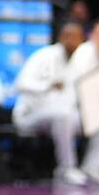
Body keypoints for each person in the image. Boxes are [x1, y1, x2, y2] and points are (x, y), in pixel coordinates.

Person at [13, 22, 97, 185]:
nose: (71, 41)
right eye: (68, 36)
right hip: (31, 116)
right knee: (62, 116)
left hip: (63, 117)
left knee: (95, 119)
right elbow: (20, 84)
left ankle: (92, 167)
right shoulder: (44, 55)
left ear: (82, 40)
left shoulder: (78, 63)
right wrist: (47, 86)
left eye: (76, 37)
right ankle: (66, 168)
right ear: (60, 37)